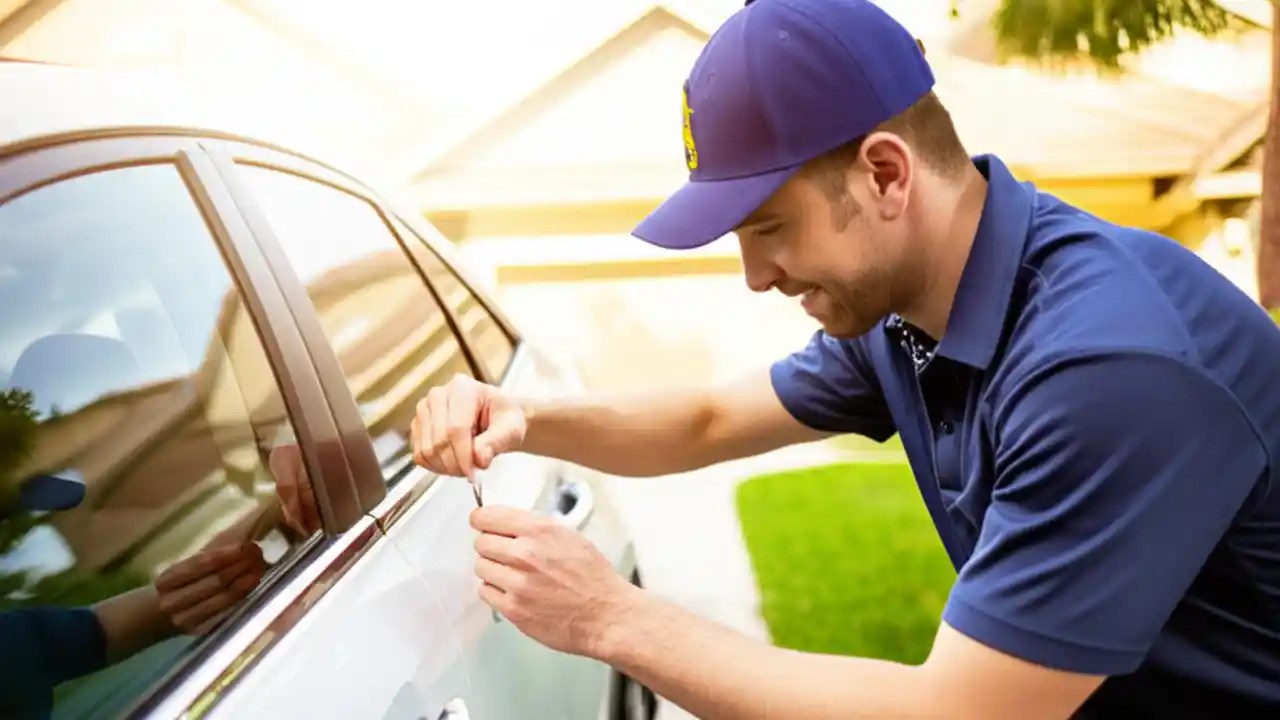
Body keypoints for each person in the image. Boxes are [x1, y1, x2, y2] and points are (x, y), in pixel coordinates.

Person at [410, 0, 1280, 717]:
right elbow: (709, 419)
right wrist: (524, 420)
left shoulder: (1104, 369)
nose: (756, 277)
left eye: (769, 228)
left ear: (887, 176)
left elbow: (960, 716)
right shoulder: (914, 309)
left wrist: (609, 619)